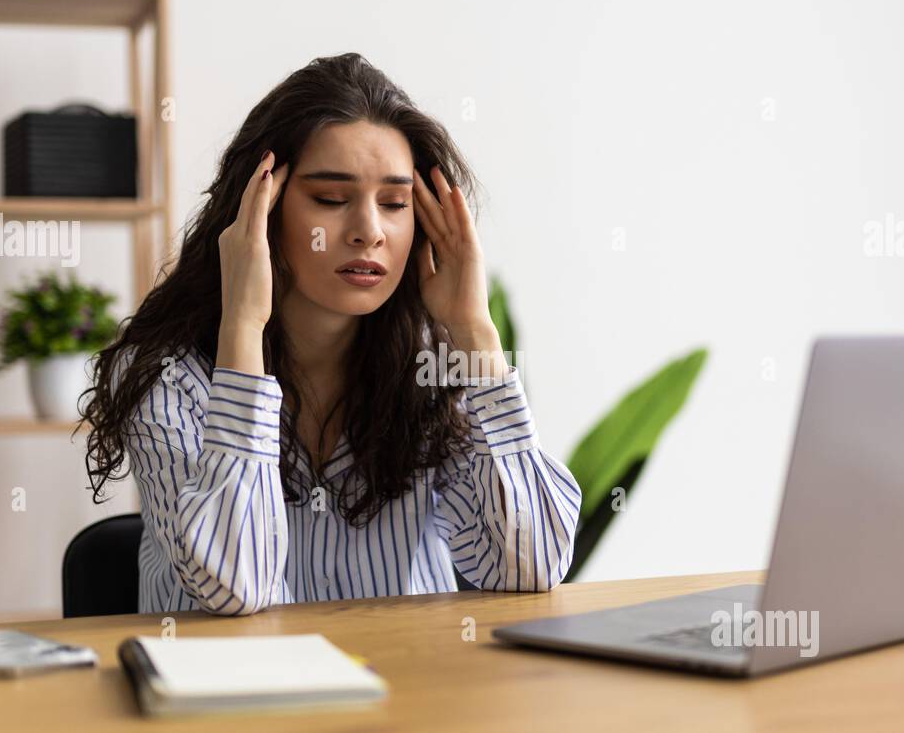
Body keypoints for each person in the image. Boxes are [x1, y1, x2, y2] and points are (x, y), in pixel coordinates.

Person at [81, 53, 581, 615]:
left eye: (394, 204)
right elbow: (233, 588)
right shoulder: (170, 376)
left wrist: (475, 331)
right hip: (233, 698)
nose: (369, 232)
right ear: (260, 211)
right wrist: (242, 330)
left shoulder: (435, 365)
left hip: (414, 693)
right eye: (331, 200)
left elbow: (531, 566)